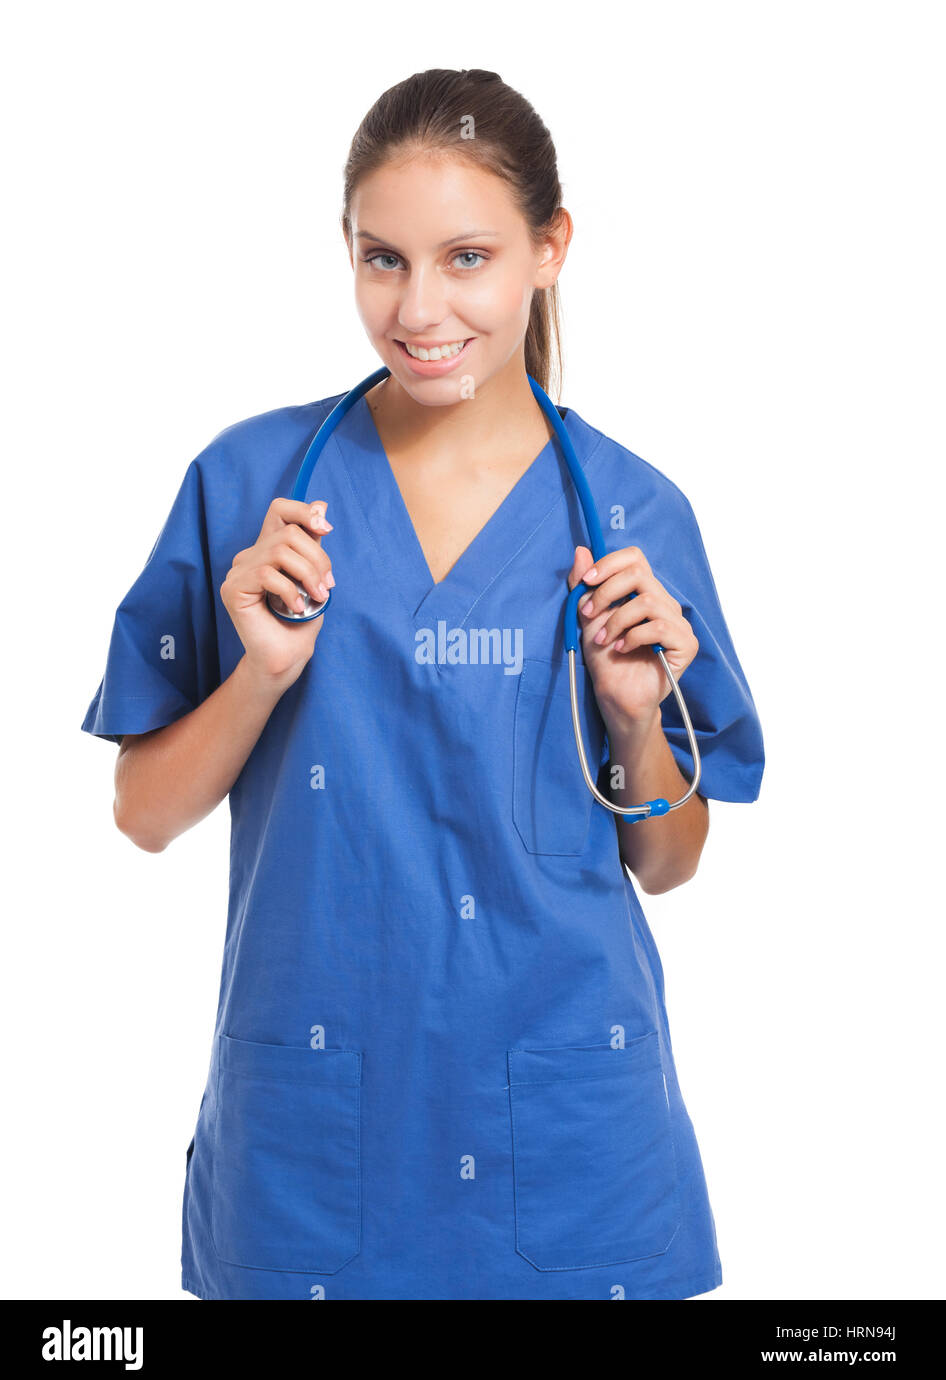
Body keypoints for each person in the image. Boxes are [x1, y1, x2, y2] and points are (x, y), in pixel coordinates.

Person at [81, 68, 765, 1301]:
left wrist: (631, 720)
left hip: (572, 1129)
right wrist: (259, 677)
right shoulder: (249, 489)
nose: (420, 306)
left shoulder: (627, 515)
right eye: (382, 259)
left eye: (466, 256)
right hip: (315, 1122)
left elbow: (670, 861)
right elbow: (141, 814)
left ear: (549, 249)